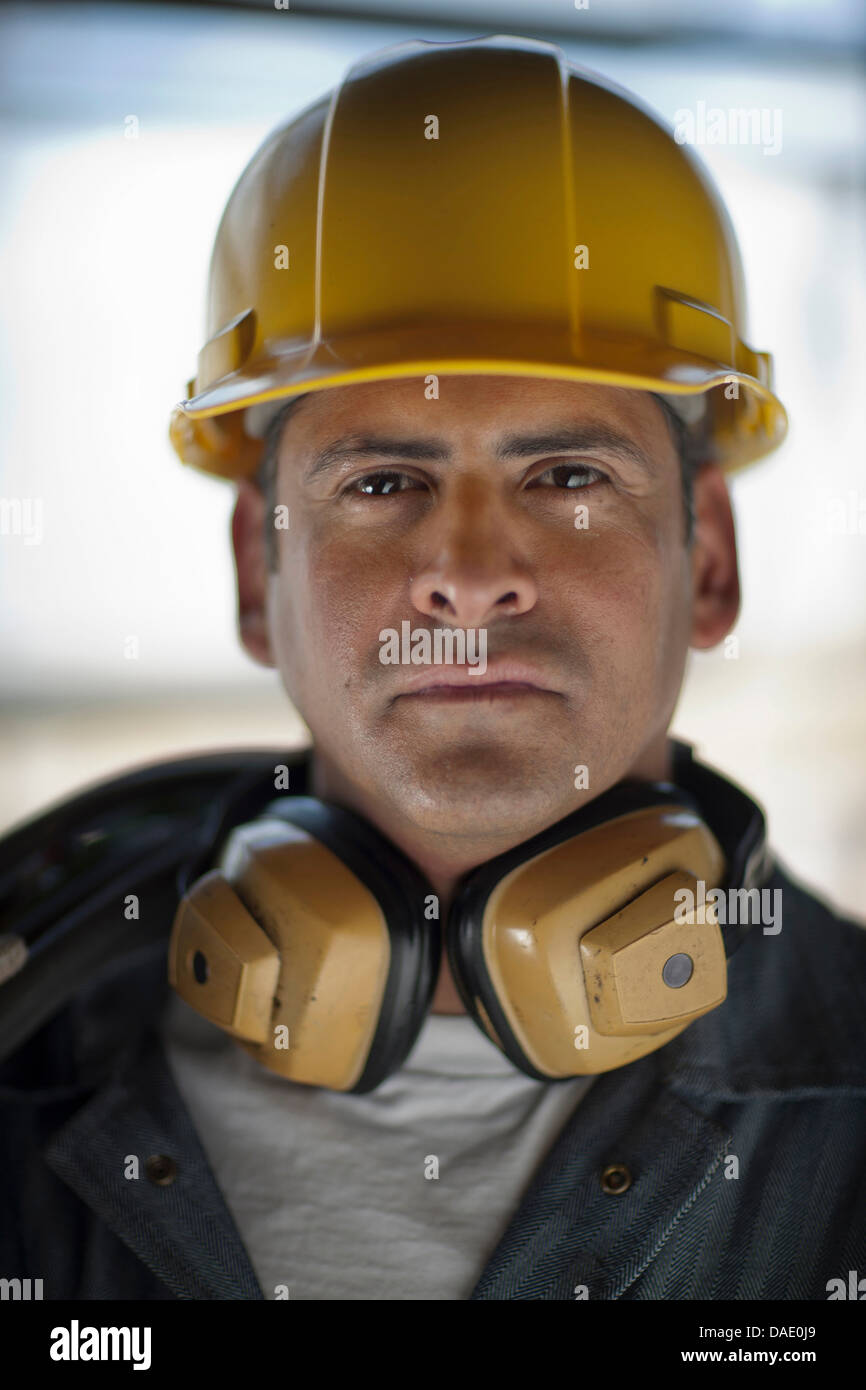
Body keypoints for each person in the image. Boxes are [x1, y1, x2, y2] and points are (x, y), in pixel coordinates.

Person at [1, 34, 864, 1304]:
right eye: (382, 482)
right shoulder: (30, 1072)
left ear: (711, 558)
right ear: (258, 572)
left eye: (565, 477)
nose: (467, 576)